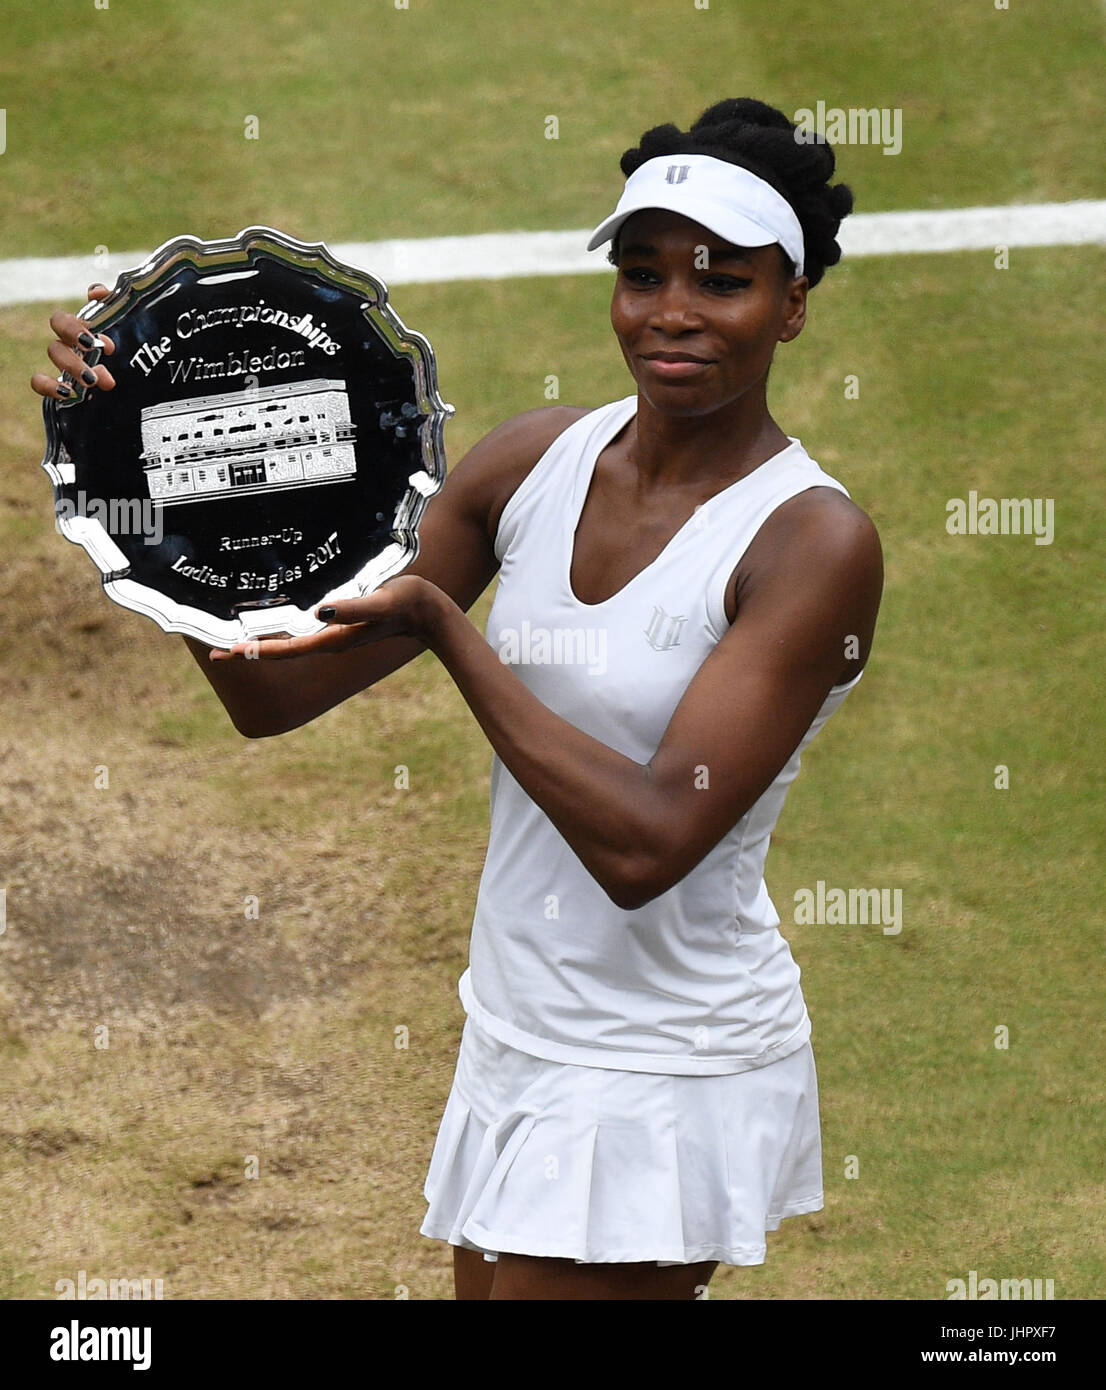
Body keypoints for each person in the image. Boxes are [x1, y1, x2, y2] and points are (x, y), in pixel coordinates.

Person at [32, 96, 882, 1301]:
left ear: (790, 305)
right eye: (642, 276)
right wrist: (142, 478)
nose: (672, 312)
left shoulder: (811, 543)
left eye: (722, 281)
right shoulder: (530, 460)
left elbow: (648, 842)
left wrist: (447, 630)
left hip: (662, 1065)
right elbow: (271, 697)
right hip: (516, 1036)